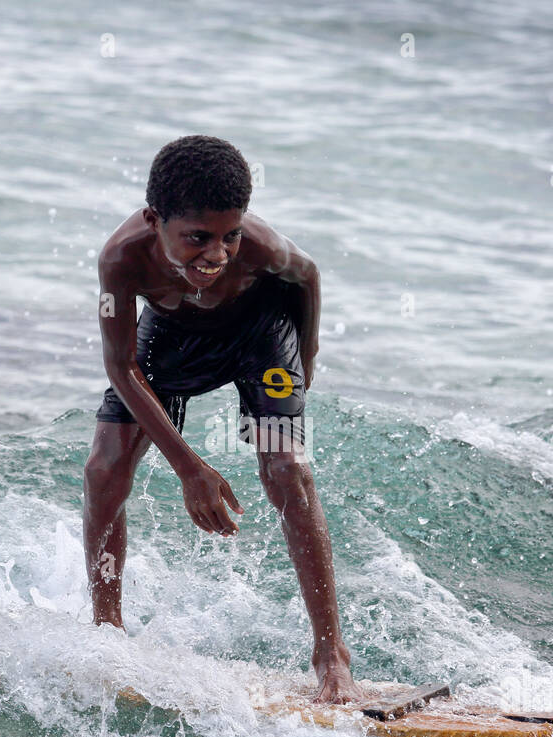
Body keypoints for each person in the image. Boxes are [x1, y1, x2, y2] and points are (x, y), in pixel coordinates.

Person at [83, 134, 362, 702]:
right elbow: (121, 367)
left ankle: (331, 654)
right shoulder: (120, 259)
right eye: (198, 239)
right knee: (103, 469)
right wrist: (189, 468)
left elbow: (307, 276)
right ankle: (106, 631)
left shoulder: (260, 249)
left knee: (286, 469)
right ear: (154, 220)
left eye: (230, 235)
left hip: (262, 334)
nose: (217, 254)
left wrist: (303, 363)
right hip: (175, 335)